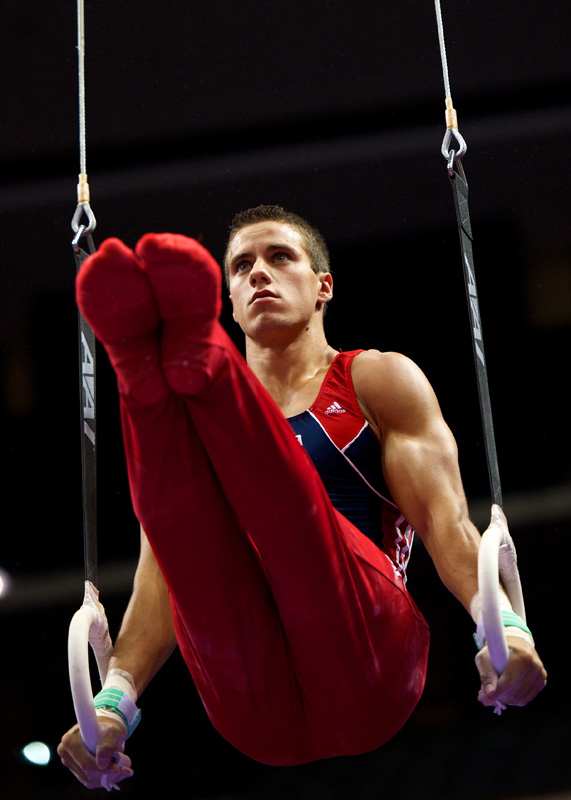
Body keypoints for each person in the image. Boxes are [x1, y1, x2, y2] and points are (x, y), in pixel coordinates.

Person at [58, 205, 546, 789]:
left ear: (323, 287)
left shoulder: (376, 380)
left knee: (291, 514)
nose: (257, 273)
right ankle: (139, 370)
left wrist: (505, 629)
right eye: (240, 267)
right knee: (184, 537)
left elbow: (447, 528)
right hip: (252, 713)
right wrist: (113, 701)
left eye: (278, 257)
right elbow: (165, 576)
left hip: (367, 663)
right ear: (229, 302)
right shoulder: (197, 433)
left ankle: (190, 362)